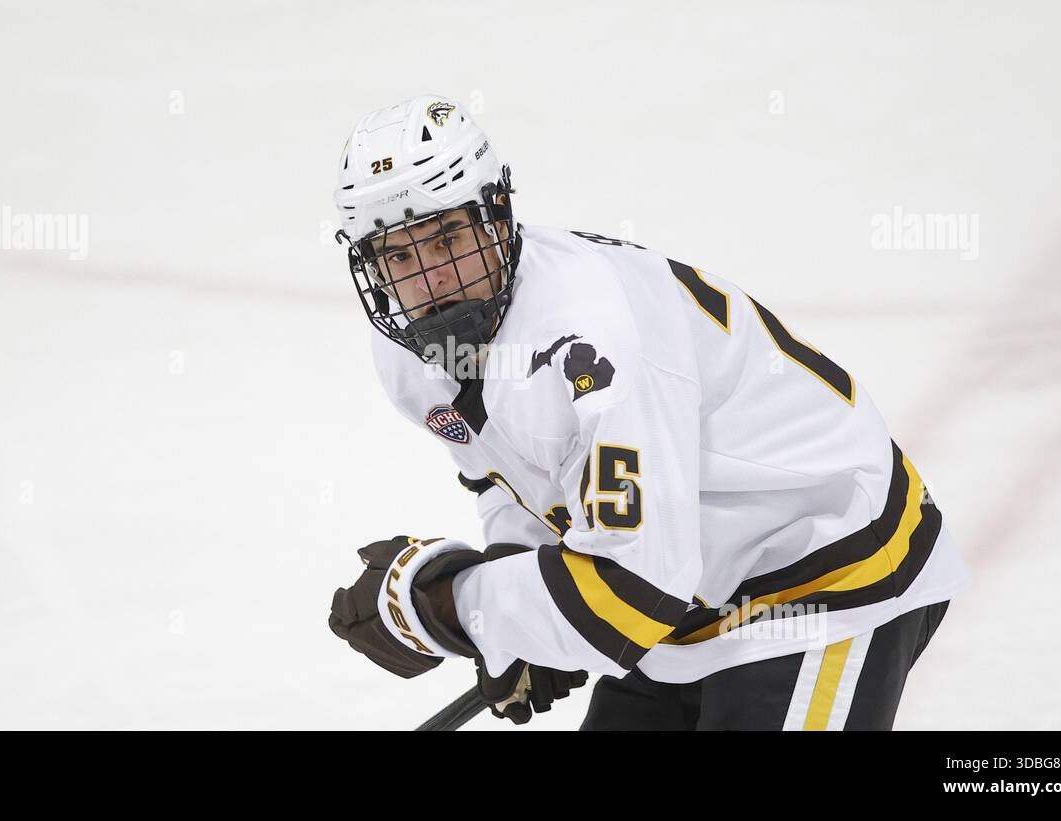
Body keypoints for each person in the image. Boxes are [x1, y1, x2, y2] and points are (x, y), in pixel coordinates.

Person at [326, 94, 970, 730]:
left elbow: (631, 596)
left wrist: (448, 606)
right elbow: (511, 484)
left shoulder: (590, 341)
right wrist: (519, 609)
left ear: (496, 217)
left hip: (820, 576)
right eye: (400, 255)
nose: (431, 279)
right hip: (684, 599)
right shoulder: (408, 355)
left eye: (446, 240)